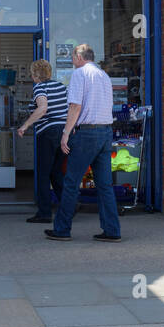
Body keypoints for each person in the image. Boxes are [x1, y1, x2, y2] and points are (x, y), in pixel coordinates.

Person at [46, 44, 121, 242]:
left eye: (72, 56)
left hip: (87, 133)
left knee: (71, 182)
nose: (71, 60)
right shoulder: (103, 75)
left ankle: (62, 229)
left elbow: (75, 106)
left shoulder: (80, 74)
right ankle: (112, 230)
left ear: (79, 57)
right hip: (105, 131)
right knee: (105, 185)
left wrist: (65, 133)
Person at [16, 59, 68, 224]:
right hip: (63, 132)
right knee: (57, 172)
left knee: (43, 174)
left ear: (35, 75)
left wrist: (25, 125)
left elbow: (43, 108)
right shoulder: (61, 86)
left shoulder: (40, 87)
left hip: (48, 133)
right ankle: (69, 206)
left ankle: (44, 213)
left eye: (32, 74)